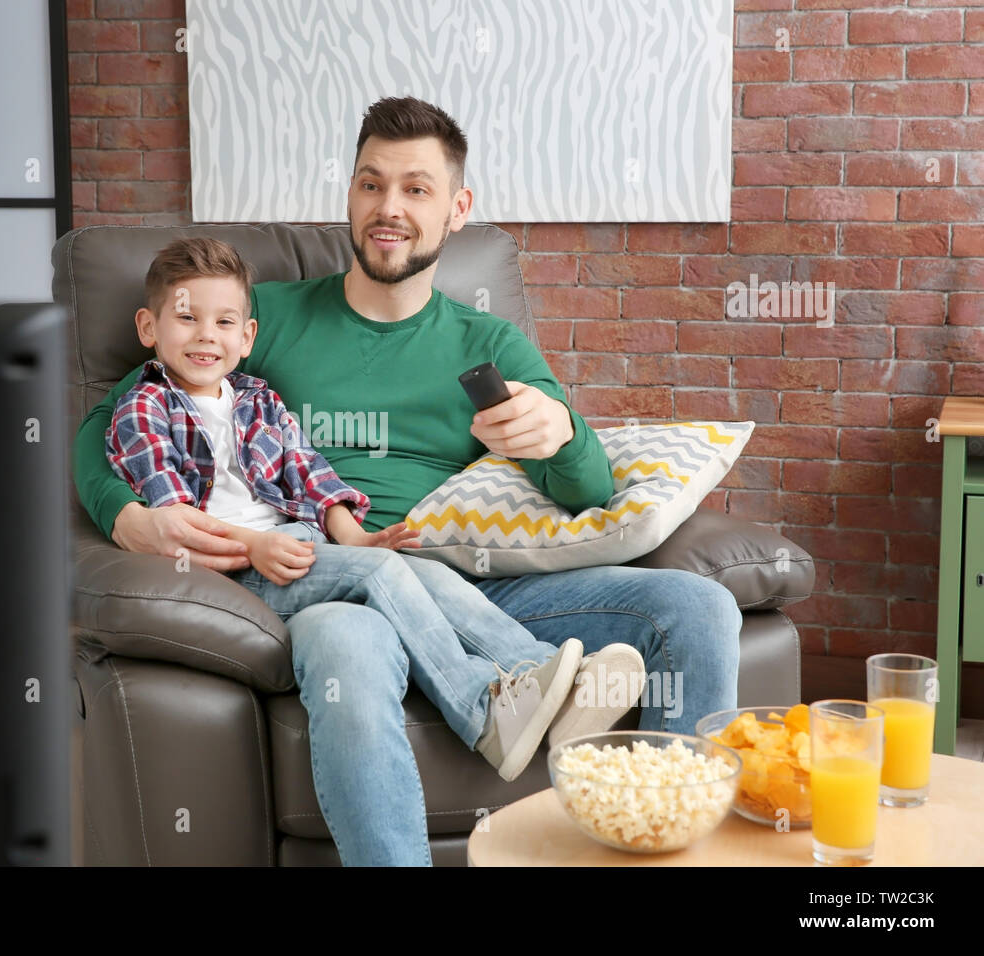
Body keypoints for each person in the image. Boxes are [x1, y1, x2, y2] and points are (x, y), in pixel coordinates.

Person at [73, 96, 742, 865]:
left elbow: (587, 487)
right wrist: (128, 517)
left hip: (479, 582)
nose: (389, 209)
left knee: (699, 606)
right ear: (350, 195)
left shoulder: (485, 339)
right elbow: (113, 420)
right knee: (346, 646)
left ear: (457, 209)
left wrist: (557, 433)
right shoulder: (259, 320)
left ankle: (668, 840)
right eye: (371, 184)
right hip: (327, 579)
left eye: (416, 189)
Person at [107, 236, 645, 783]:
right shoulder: (144, 408)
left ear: (247, 337)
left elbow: (308, 473)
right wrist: (256, 545)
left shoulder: (256, 399)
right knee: (386, 572)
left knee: (415, 565)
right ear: (149, 328)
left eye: (224, 323)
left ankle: (545, 678)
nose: (205, 335)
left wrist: (355, 537)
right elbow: (177, 518)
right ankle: (490, 708)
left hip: (293, 546)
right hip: (233, 573)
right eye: (186, 318)